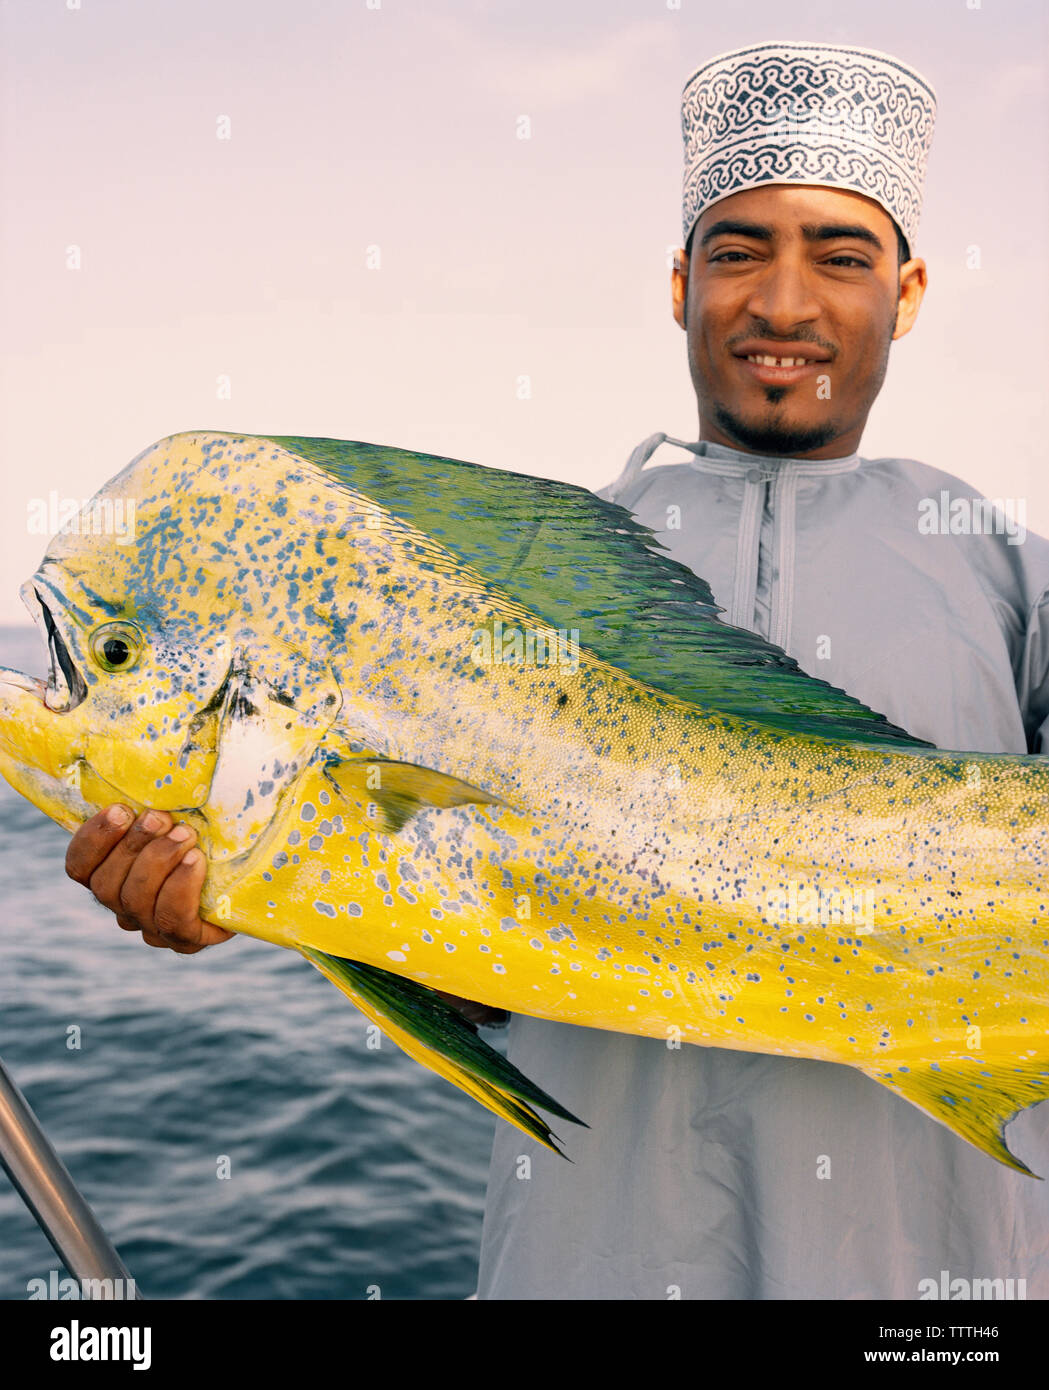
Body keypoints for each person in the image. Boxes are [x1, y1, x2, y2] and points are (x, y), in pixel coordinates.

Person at [66, 40, 1049, 1299]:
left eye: (839, 255)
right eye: (737, 250)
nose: (784, 304)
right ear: (678, 283)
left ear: (906, 293)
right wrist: (261, 895)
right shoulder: (516, 591)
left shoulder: (1008, 569)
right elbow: (466, 956)